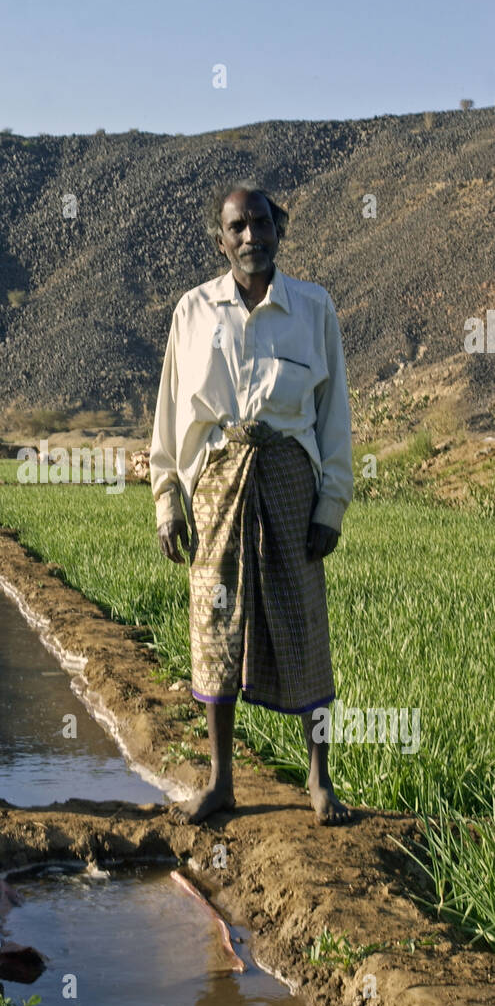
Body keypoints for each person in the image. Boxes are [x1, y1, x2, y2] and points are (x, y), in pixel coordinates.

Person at [150, 183, 354, 825]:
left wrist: (330, 507)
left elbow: (334, 418)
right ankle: (220, 781)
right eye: (237, 227)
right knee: (216, 626)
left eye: (260, 224)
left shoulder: (314, 309)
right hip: (215, 486)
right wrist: (166, 500)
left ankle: (319, 780)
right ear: (221, 240)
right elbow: (168, 414)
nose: (250, 237)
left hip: (291, 481)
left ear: (278, 230)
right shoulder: (192, 312)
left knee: (303, 621)